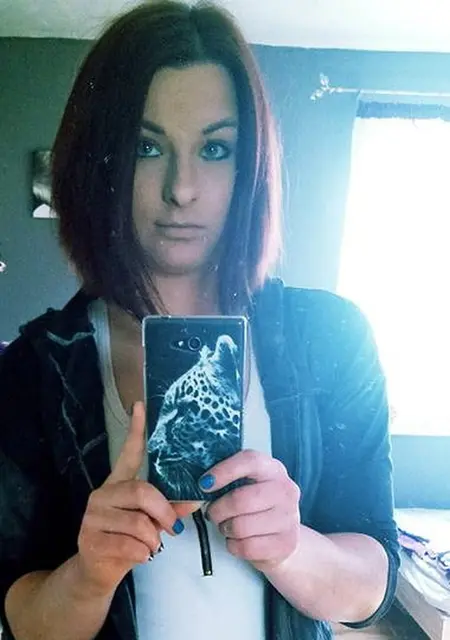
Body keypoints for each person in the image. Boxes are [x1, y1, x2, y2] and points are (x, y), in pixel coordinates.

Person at [0, 2, 399, 639]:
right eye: (146, 146)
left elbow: (372, 588)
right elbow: (23, 620)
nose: (181, 189)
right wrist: (90, 573)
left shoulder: (330, 339)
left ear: (250, 165)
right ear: (98, 159)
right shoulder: (35, 368)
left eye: (215, 148)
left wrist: (289, 545)